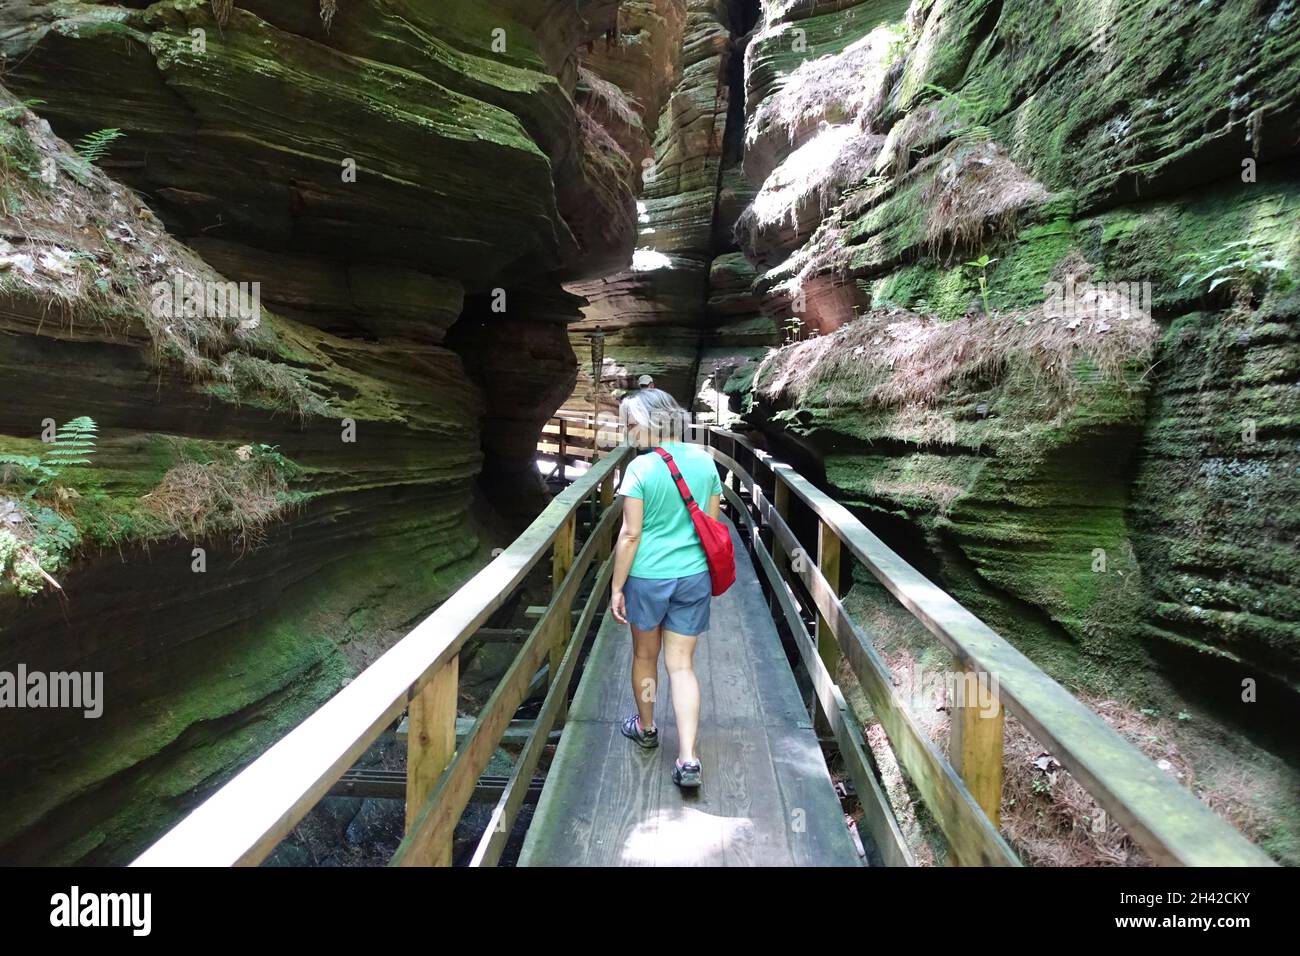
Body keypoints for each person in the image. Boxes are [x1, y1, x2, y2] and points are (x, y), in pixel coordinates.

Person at [610, 388, 722, 789]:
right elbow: (711, 525)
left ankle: (646, 727)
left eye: (631, 423)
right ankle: (688, 759)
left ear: (653, 421)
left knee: (645, 655)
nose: (628, 431)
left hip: (648, 577)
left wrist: (616, 587)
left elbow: (630, 534)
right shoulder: (705, 462)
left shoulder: (640, 469)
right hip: (693, 577)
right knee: (682, 666)